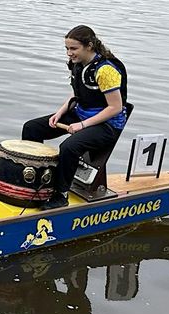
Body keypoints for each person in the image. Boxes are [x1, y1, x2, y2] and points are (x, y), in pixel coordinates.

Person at [20, 25, 129, 210]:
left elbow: (115, 107)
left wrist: (82, 125)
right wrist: (60, 113)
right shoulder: (78, 64)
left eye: (73, 48)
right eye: (67, 48)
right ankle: (36, 180)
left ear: (89, 46)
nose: (69, 53)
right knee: (32, 128)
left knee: (69, 147)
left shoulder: (105, 70)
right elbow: (77, 93)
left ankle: (60, 195)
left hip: (107, 125)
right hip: (81, 115)